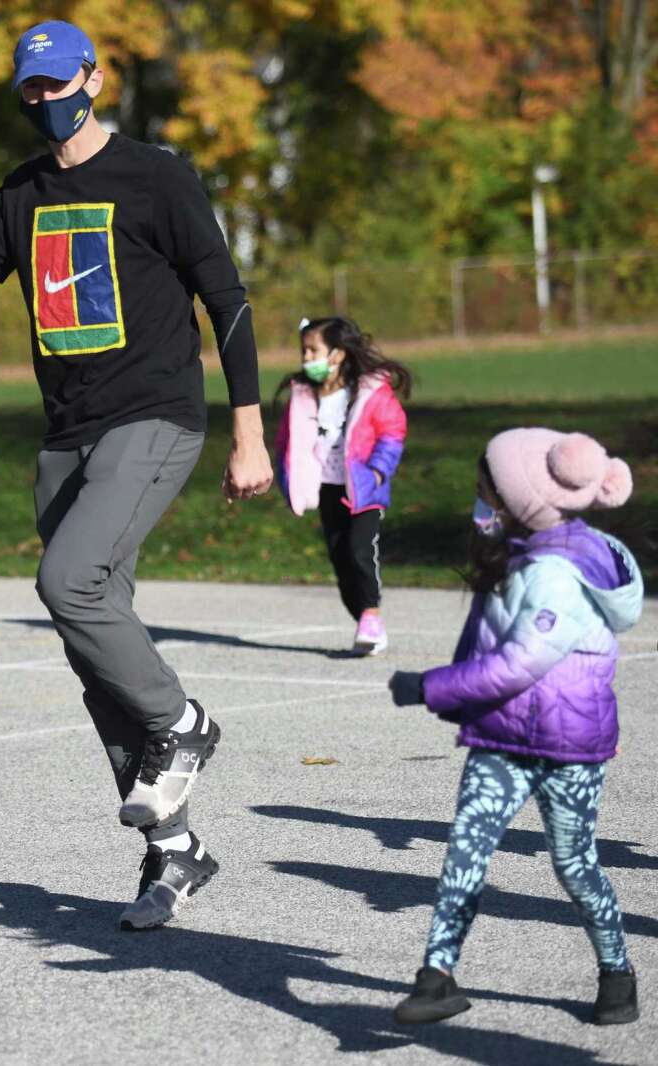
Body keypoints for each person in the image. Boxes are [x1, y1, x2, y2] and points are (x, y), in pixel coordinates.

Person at [0, 18, 274, 930]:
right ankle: (174, 853)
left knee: (66, 581)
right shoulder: (21, 195)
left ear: (95, 77)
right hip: (65, 441)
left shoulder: (157, 176)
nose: (45, 100)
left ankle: (185, 725)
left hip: (155, 417)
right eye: (32, 89)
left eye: (58, 83)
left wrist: (251, 432)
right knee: (96, 656)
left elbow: (228, 301)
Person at [388, 428, 643, 1026]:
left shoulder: (556, 573)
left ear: (520, 500)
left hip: (566, 744)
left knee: (574, 864)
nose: (480, 506)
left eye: (486, 494)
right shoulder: (521, 556)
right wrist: (457, 697)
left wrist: (428, 688)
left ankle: (617, 971)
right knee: (466, 848)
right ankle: (437, 976)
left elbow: (519, 663)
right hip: (503, 739)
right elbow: (484, 642)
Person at [274, 316, 409, 655]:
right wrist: (287, 476)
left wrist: (378, 472)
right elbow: (285, 442)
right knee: (339, 557)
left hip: (363, 490)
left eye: (313, 351)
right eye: (303, 351)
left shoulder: (369, 392)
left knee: (359, 551)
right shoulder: (303, 395)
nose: (306, 359)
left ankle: (372, 616)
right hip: (327, 488)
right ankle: (362, 615)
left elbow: (392, 433)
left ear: (337, 354)